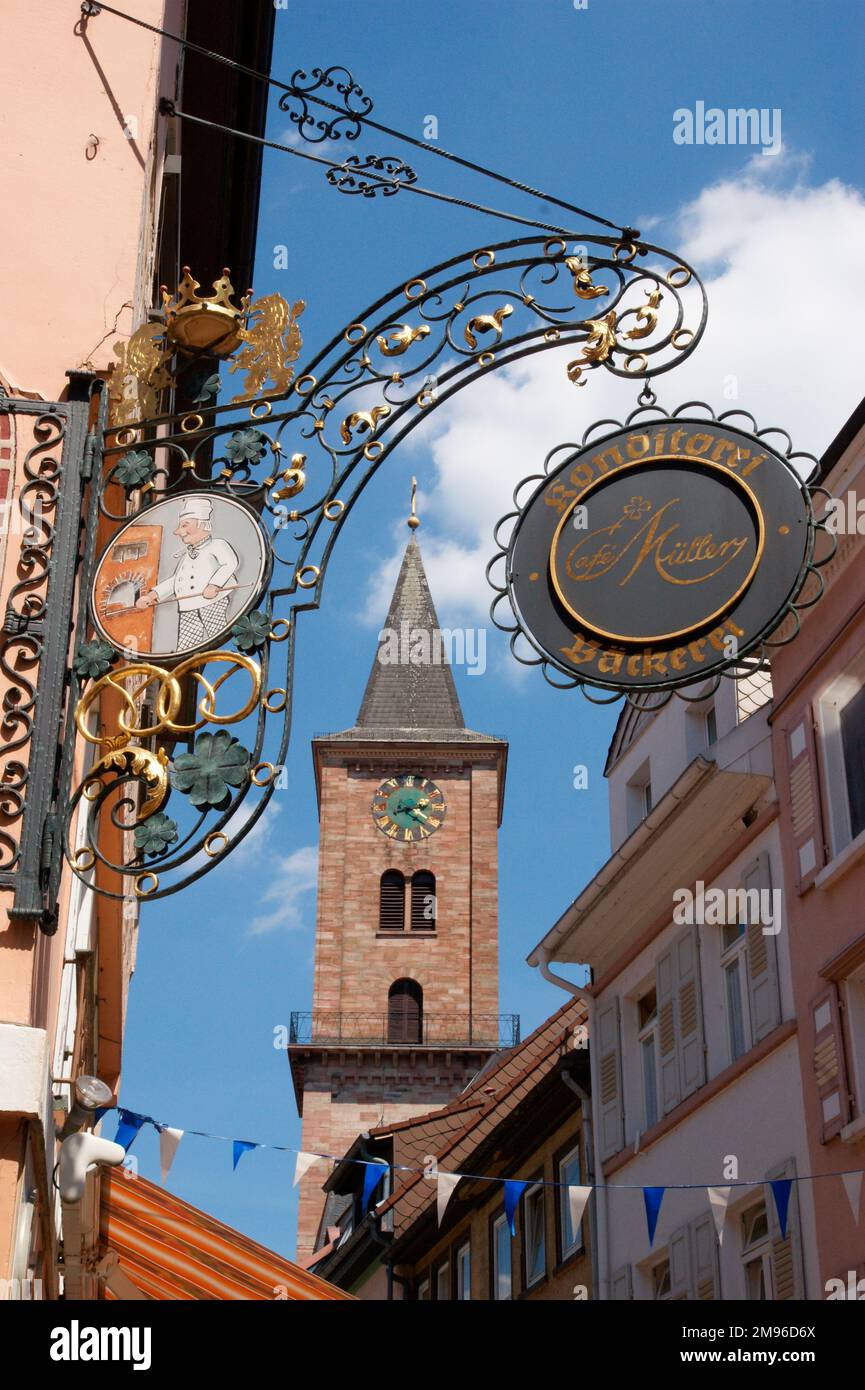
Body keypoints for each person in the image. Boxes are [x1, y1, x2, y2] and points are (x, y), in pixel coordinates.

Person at [136, 496, 239, 652]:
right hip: (187, 606)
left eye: (185, 525)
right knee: (186, 648)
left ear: (203, 524)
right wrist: (151, 596)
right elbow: (176, 581)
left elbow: (230, 563)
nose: (179, 531)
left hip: (211, 604)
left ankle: (228, 657)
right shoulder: (186, 556)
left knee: (219, 638)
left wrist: (214, 585)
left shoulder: (217, 545)